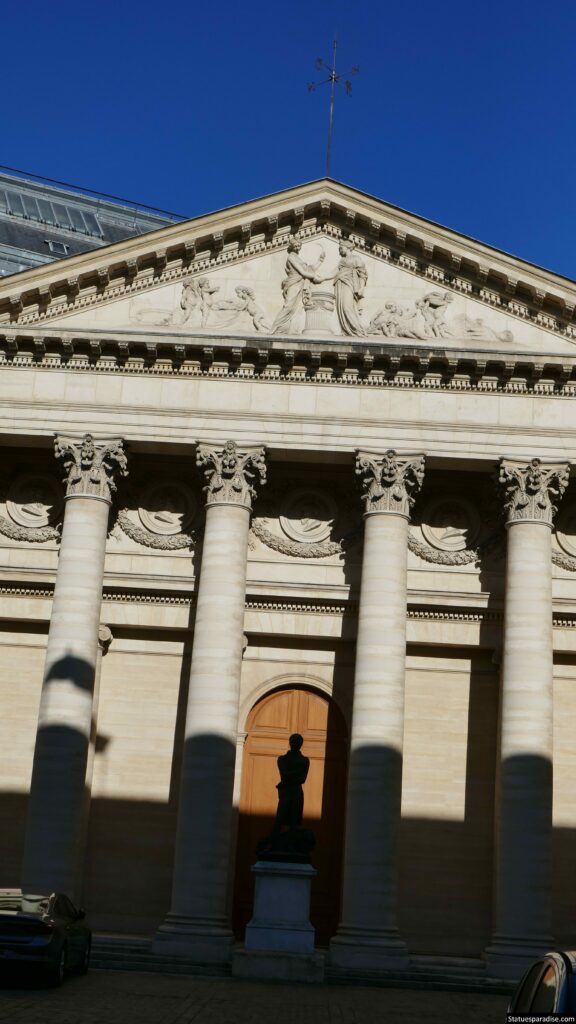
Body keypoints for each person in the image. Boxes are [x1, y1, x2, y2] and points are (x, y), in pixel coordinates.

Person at [271, 239, 325, 334]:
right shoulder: (291, 257)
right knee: (288, 306)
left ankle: (291, 329)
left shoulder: (298, 258)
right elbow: (303, 272)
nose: (297, 247)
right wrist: (316, 277)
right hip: (293, 283)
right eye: (295, 246)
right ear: (291, 246)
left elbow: (310, 270)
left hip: (300, 284)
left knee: (297, 308)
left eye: (298, 245)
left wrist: (320, 261)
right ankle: (274, 327)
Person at [271, 733, 310, 834]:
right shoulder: (282, 759)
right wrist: (298, 771)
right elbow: (284, 775)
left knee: (295, 821)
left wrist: (290, 775)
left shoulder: (305, 760)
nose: (296, 744)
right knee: (280, 818)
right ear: (290, 743)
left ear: (301, 744)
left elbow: (302, 779)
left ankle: (292, 846)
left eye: (298, 742)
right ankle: (274, 842)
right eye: (294, 742)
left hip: (296, 792)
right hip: (286, 792)